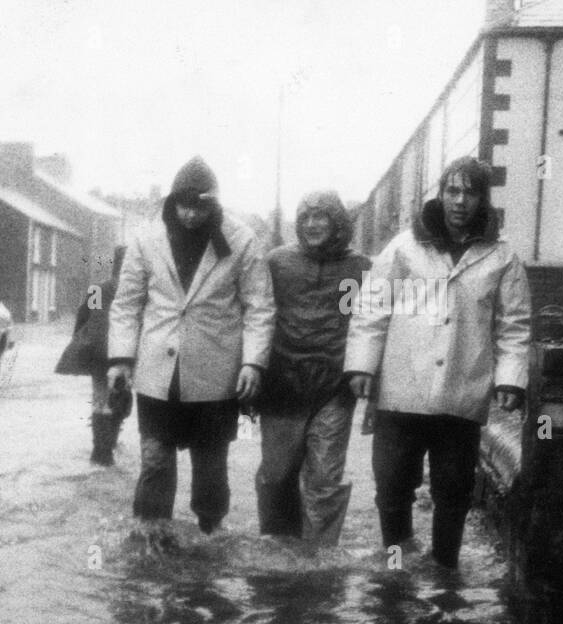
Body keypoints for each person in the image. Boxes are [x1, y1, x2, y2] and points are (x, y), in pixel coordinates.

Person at [345, 156, 531, 570]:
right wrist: (362, 365)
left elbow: (514, 326)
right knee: (392, 486)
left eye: (470, 192)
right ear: (440, 194)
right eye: (452, 191)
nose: (460, 201)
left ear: (483, 198)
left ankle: (445, 569)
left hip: (461, 392)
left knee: (453, 489)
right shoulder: (405, 247)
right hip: (400, 391)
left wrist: (510, 379)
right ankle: (394, 564)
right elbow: (372, 306)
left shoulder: (502, 256)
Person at [107, 156, 275, 533]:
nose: (190, 215)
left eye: (199, 207)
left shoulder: (242, 240)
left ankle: (210, 532)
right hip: (157, 372)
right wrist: (120, 360)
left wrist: (253, 363)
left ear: (213, 204)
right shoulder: (146, 239)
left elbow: (259, 307)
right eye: (183, 205)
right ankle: (151, 533)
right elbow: (126, 304)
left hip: (215, 373)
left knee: (211, 464)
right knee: (154, 459)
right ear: (172, 202)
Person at [255, 190, 371, 546]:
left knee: (324, 478)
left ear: (338, 222)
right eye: (305, 217)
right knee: (277, 475)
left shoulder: (361, 268)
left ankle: (319, 557)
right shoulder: (276, 262)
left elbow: (371, 323)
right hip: (282, 384)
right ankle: (279, 548)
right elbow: (256, 314)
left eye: (321, 217)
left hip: (333, 390)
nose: (312, 224)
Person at [55, 245, 130, 465]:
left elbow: (83, 317)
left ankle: (100, 452)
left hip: (97, 353)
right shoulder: (133, 292)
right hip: (122, 354)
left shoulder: (98, 289)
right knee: (120, 395)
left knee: (100, 398)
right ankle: (111, 444)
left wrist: (80, 343)